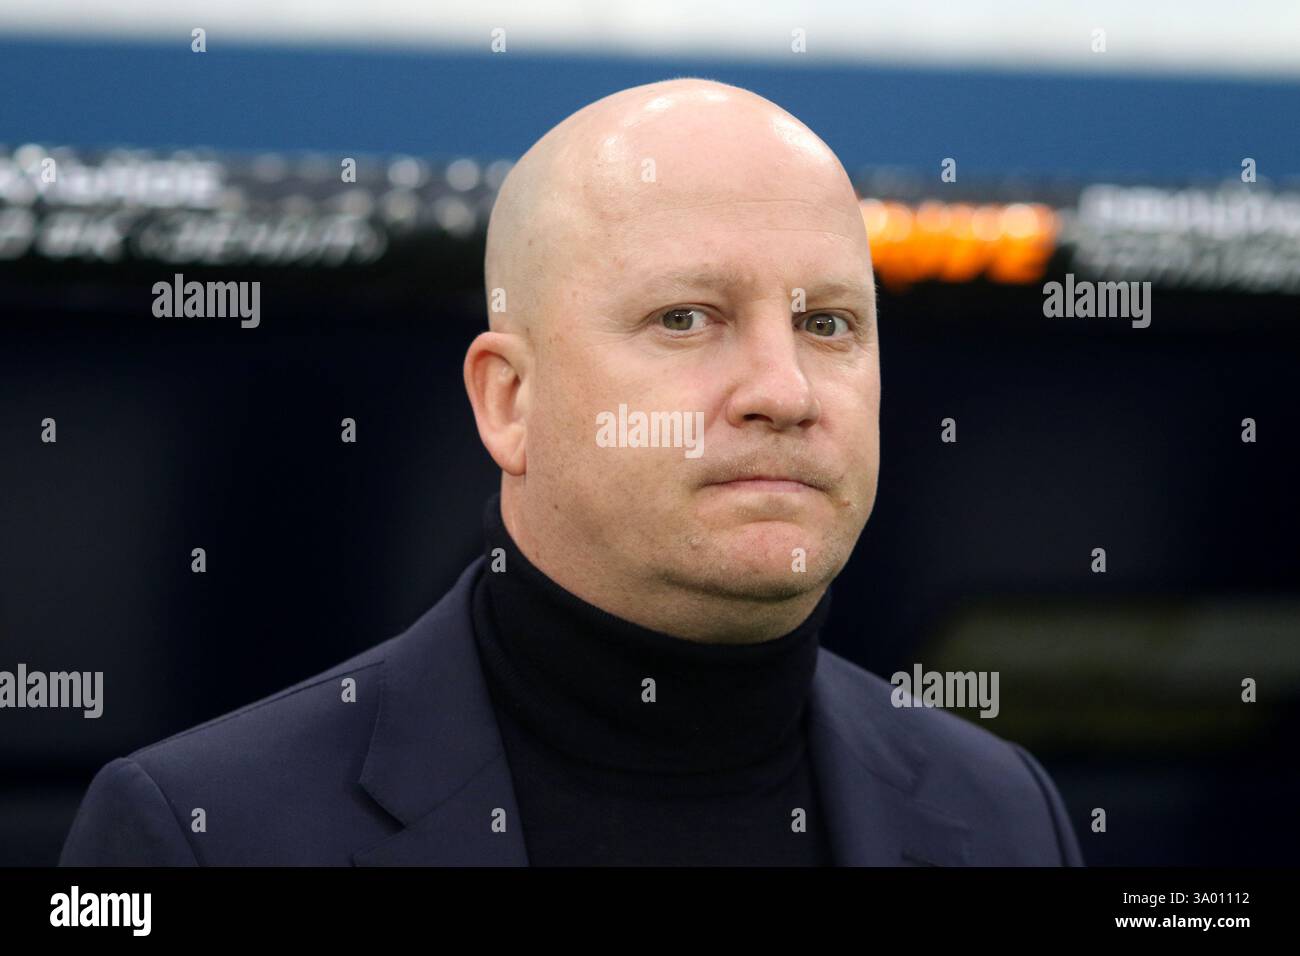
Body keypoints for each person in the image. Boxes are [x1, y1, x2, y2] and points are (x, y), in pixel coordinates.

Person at [60, 78, 1083, 866]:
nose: (784, 389)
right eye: (685, 317)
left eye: (828, 324)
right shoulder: (200, 832)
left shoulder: (1003, 813)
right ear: (509, 399)